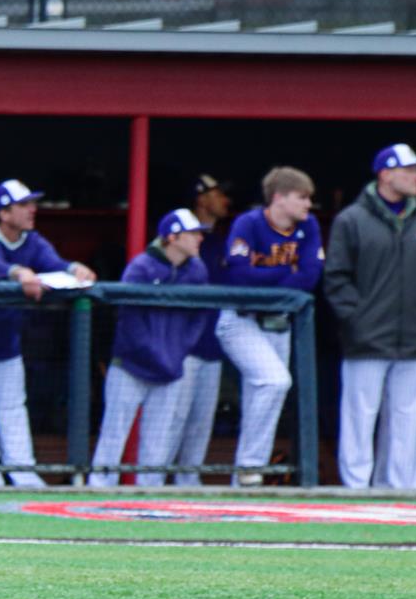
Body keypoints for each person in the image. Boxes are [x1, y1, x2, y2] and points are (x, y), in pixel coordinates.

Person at [0, 179, 95, 488]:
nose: (33, 209)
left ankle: (22, 472)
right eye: (24, 204)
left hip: (7, 344)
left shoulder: (32, 240)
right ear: (4, 213)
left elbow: (53, 263)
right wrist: (19, 272)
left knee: (12, 407)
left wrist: (74, 269)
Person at [323, 143, 416, 489]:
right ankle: (356, 489)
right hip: (366, 340)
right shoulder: (351, 220)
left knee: (407, 419)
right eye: (410, 170)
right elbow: (336, 277)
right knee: (360, 418)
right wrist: (356, 320)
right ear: (386, 173)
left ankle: (402, 491)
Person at [212, 167, 322, 486]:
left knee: (261, 396)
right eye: (301, 197)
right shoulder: (249, 223)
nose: (308, 204)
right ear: (279, 198)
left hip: (278, 324)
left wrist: (279, 280)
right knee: (275, 382)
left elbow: (311, 277)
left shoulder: (309, 226)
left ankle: (243, 484)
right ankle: (249, 467)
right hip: (240, 321)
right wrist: (289, 272)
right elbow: (239, 276)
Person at [87, 209, 210, 487]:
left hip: (170, 371)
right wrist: (158, 356)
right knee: (114, 434)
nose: (199, 238)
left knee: (158, 442)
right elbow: (130, 323)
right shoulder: (141, 267)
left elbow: (199, 318)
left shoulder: (197, 270)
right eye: (193, 234)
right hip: (131, 367)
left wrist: (179, 353)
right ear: (172, 237)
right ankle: (97, 492)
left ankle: (149, 500)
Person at [167, 173, 235, 485]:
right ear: (200, 197)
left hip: (213, 345)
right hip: (184, 348)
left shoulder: (224, 241)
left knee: (200, 422)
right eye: (218, 193)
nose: (225, 200)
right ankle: (153, 482)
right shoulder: (178, 241)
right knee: (173, 419)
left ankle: (188, 483)